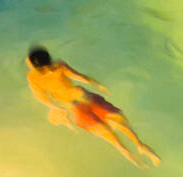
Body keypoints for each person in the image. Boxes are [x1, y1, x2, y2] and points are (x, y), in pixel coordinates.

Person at [25, 48, 160, 168]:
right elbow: (80, 77)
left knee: (106, 132)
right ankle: (140, 145)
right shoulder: (59, 65)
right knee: (118, 122)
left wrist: (55, 108)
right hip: (82, 95)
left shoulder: (33, 78)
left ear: (35, 67)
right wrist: (97, 84)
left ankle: (126, 152)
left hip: (72, 106)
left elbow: (41, 97)